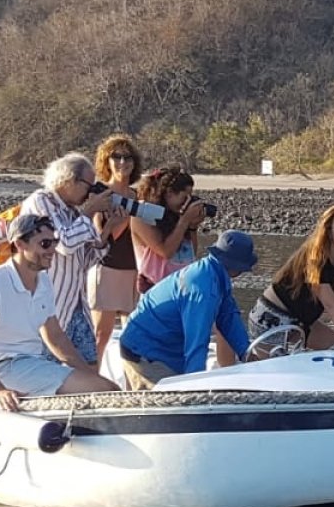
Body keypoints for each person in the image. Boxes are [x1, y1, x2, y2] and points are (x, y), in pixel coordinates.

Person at [0, 212, 118, 412]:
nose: (52, 250)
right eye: (45, 244)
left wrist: (90, 375)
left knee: (110, 389)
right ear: (20, 244)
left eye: (55, 242)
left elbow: (55, 337)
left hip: (31, 363)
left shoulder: (44, 282)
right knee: (104, 390)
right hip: (1, 368)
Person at [117, 230, 259, 389]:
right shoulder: (202, 288)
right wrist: (195, 387)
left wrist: (246, 353)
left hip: (164, 349)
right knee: (170, 404)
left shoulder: (214, 274)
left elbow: (229, 317)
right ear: (237, 267)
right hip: (144, 351)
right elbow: (197, 342)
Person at [18, 152, 121, 365]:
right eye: (88, 186)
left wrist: (108, 229)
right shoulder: (41, 201)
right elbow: (63, 243)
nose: (90, 193)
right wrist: (89, 210)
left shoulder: (74, 212)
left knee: (90, 366)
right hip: (50, 306)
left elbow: (87, 260)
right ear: (68, 180)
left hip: (76, 304)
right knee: (48, 368)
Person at [247, 203, 334, 359]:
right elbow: (331, 306)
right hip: (271, 321)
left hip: (299, 322)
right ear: (329, 232)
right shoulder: (317, 261)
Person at [88, 134, 142, 361]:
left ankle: (132, 385)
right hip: (107, 268)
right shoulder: (99, 193)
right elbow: (100, 238)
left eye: (127, 157)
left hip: (133, 270)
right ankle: (91, 382)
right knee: (101, 334)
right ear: (106, 161)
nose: (122, 162)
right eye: (116, 156)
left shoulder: (137, 196)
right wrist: (121, 220)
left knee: (134, 335)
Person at [130, 164, 209, 289]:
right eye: (184, 198)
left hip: (181, 286)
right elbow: (165, 252)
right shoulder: (142, 215)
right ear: (169, 193)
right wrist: (184, 220)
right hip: (156, 288)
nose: (187, 202)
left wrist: (192, 227)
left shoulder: (176, 215)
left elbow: (189, 255)